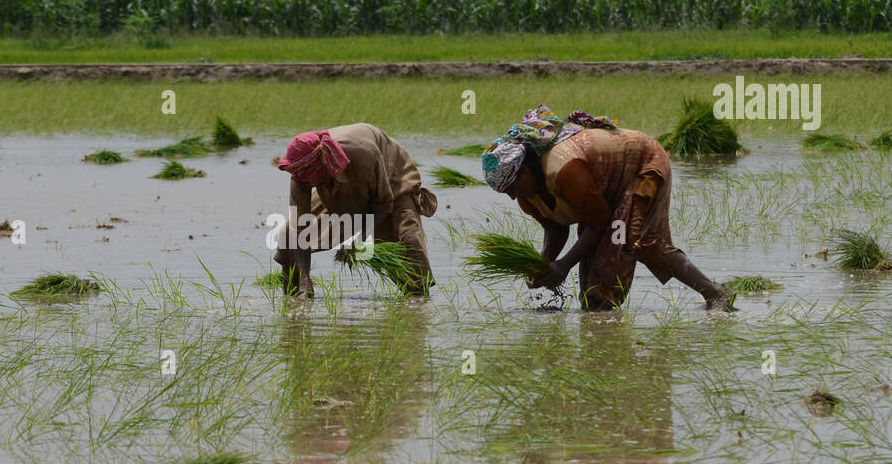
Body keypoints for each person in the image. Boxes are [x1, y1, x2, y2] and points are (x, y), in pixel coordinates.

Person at [480, 105, 733, 311]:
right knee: (594, 296)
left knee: (637, 238)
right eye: (506, 192)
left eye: (512, 188)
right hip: (605, 188)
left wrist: (565, 265)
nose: (513, 198)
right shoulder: (527, 195)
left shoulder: (563, 170)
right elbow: (556, 230)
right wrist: (544, 265)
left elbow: (599, 222)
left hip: (641, 167)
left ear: (524, 170)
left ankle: (716, 293)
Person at [273, 124, 437, 296]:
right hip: (335, 184)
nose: (308, 184)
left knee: (407, 240)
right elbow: (300, 227)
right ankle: (297, 294)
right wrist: (305, 277)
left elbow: (382, 204)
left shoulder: (364, 154)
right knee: (287, 236)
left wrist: (359, 240)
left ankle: (417, 299)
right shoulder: (301, 171)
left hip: (391, 178)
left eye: (312, 179)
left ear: (323, 165)